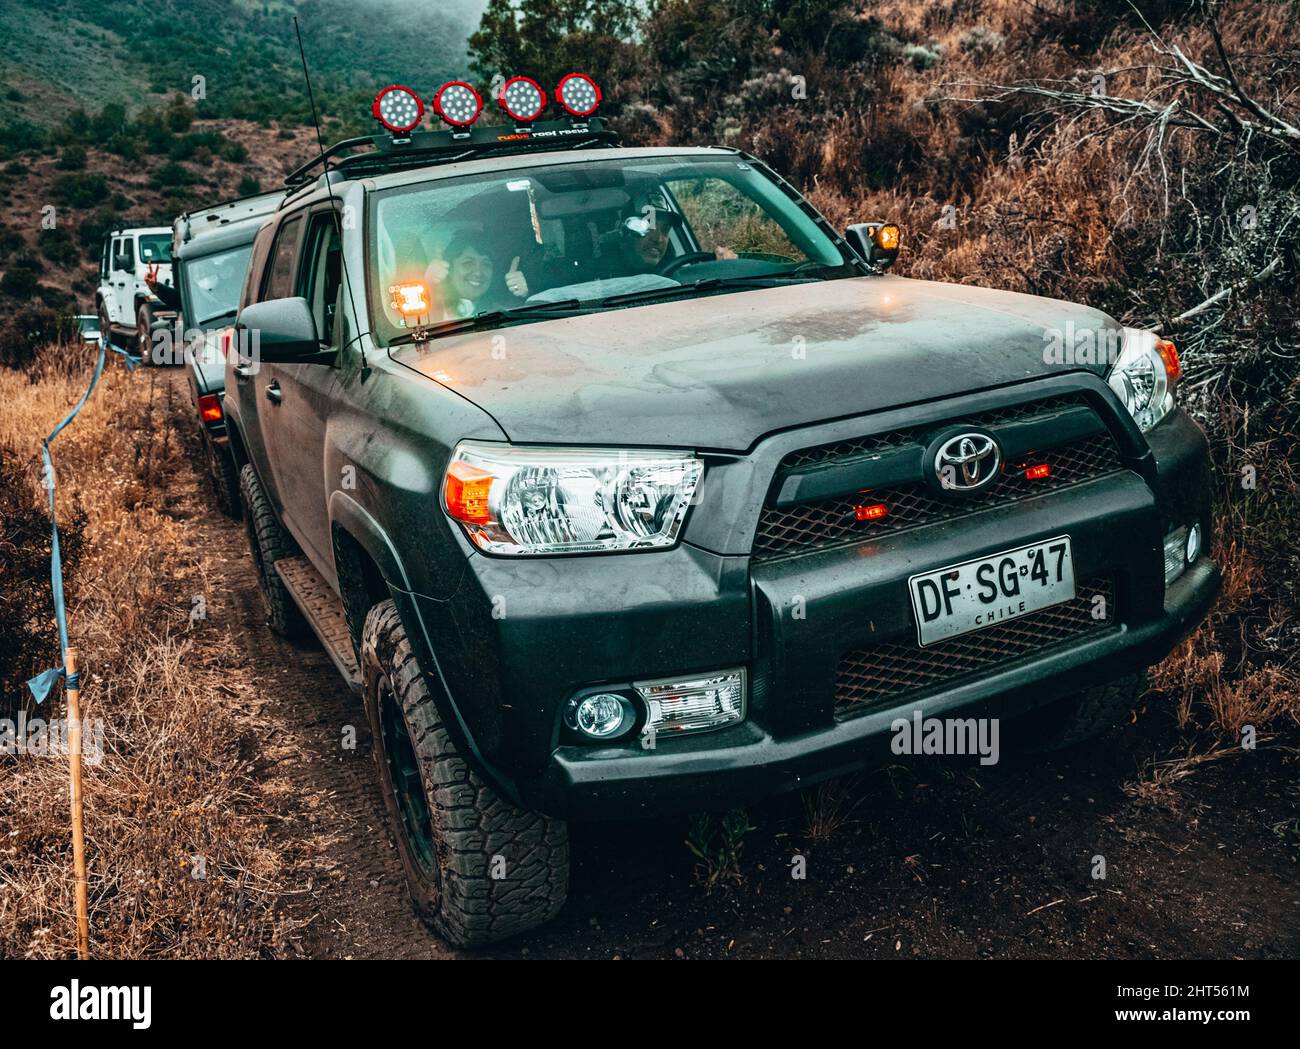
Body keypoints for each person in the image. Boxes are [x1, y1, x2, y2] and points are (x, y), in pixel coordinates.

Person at [423, 233, 529, 318]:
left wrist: (524, 297)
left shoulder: (502, 313)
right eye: (468, 263)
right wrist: (427, 287)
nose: (478, 272)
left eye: (486, 264)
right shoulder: (426, 308)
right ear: (449, 268)